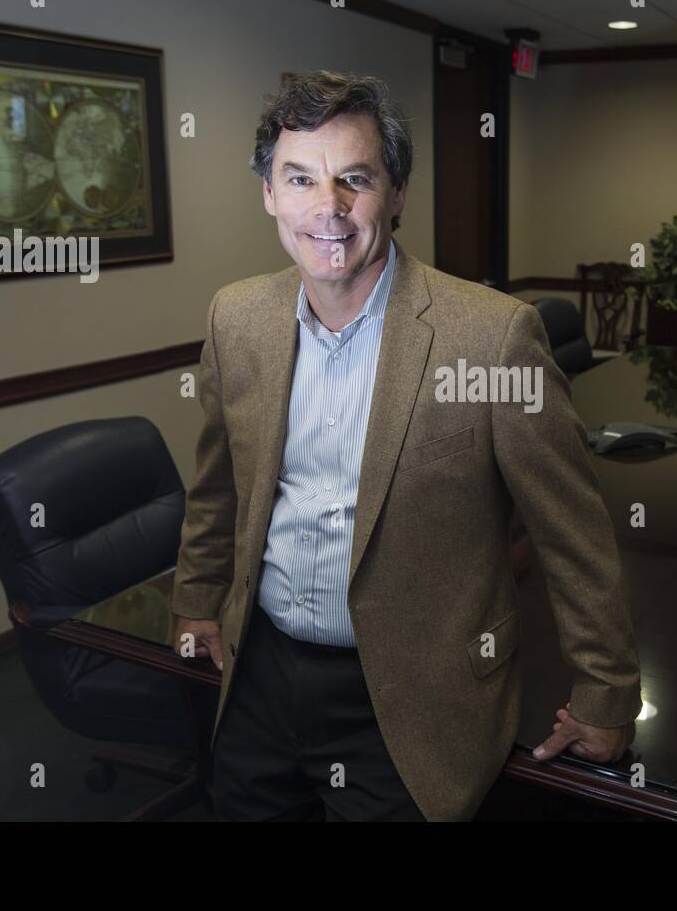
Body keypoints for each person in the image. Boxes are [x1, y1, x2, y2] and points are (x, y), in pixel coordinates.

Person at [171, 70, 640, 821]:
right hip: (260, 674)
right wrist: (197, 598)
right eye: (300, 179)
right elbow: (218, 480)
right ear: (269, 193)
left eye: (355, 179)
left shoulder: (491, 338)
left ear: (395, 193)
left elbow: (572, 533)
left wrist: (607, 692)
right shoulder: (237, 318)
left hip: (414, 699)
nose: (328, 208)